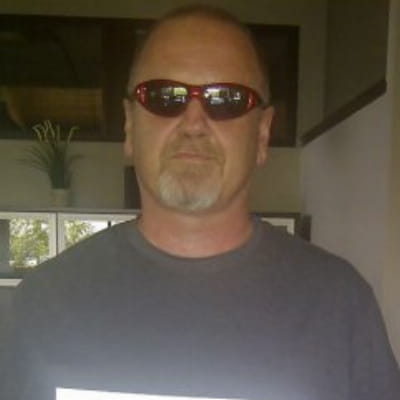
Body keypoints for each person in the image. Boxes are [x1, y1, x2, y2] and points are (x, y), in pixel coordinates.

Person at [1, 5, 399, 400]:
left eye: (226, 98)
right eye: (164, 96)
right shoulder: (45, 302)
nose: (193, 122)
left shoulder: (340, 305)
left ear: (262, 134)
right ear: (130, 125)